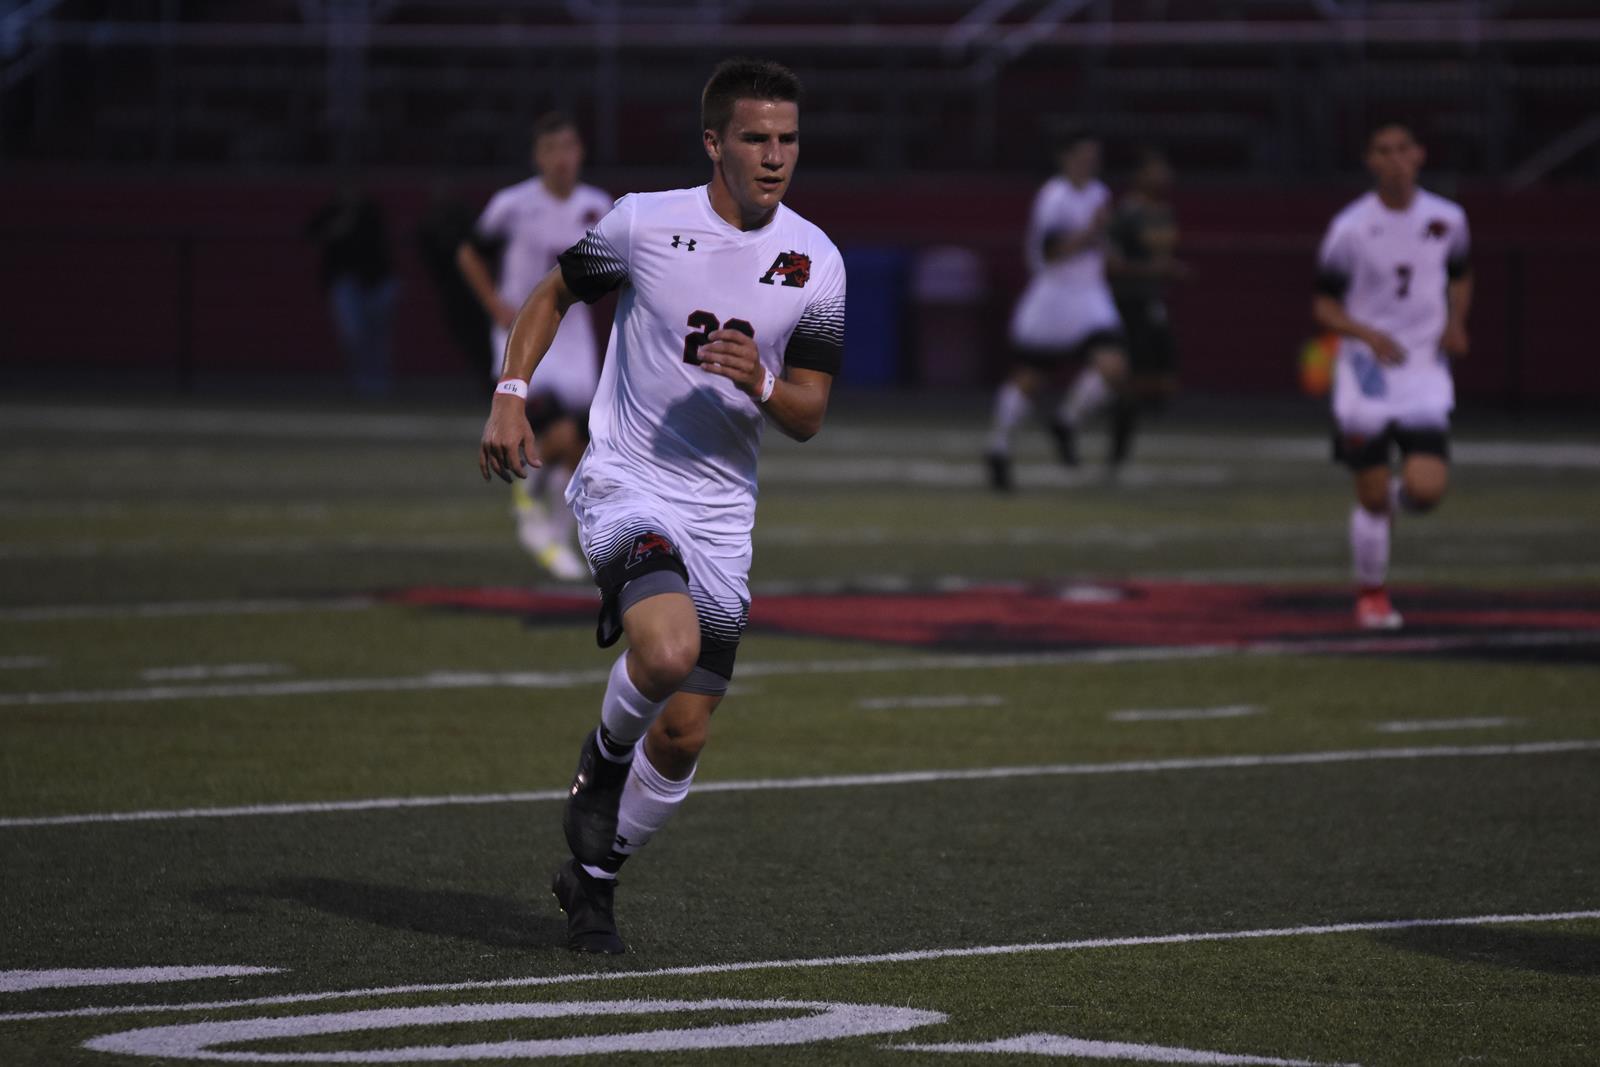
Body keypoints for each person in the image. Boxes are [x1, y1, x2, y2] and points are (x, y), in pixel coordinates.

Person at [478, 58, 845, 954]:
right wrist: (511, 391)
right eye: (756, 138)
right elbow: (555, 291)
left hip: (723, 513)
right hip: (626, 482)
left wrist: (758, 376)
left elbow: (808, 414)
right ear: (714, 142)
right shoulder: (644, 222)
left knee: (684, 730)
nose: (774, 156)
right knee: (668, 648)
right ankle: (601, 764)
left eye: (788, 139)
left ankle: (593, 879)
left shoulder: (817, 259)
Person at [1313, 122, 1471, 629]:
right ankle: (1371, 595)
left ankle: (1387, 511)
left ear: (1420, 155)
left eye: (1404, 149)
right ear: (1370, 161)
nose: (1396, 159)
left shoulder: (1448, 218)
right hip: (1368, 375)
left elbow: (1461, 273)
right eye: (1384, 151)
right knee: (1371, 492)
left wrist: (1456, 322)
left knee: (1425, 490)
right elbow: (1323, 304)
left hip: (1423, 369)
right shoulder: (1351, 228)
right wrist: (1365, 334)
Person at [459, 114, 612, 580]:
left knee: (582, 445)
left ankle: (551, 530)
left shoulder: (597, 205)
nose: (562, 158)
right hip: (525, 338)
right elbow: (469, 252)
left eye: (569, 147)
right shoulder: (512, 204)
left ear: (580, 152)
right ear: (537, 156)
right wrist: (495, 305)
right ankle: (530, 510)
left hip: (576, 341)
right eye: (551, 149)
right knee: (562, 433)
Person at [984, 131, 1127, 491]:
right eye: (1083, 156)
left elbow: (1099, 242)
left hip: (1091, 295)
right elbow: (1050, 252)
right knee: (1029, 379)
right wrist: (1092, 232)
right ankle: (998, 447)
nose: (1090, 163)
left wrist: (1109, 249)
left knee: (1114, 367)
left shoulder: (1099, 193)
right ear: (1065, 158)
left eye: (1095, 156)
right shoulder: (1053, 197)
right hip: (1055, 297)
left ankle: (1066, 421)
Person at [1105, 148, 1188, 471]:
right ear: (1139, 175)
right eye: (1156, 170)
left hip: (1154, 301)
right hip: (1129, 302)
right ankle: (1116, 441)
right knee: (1134, 377)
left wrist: (1168, 271)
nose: (1164, 177)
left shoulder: (1164, 212)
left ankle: (1118, 413)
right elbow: (1113, 265)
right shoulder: (1127, 213)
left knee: (1163, 378)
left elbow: (1161, 259)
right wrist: (1153, 271)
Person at [305, 185, 398, 398]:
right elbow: (311, 234)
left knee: (377, 334)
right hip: (345, 282)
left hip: (376, 280)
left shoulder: (371, 210)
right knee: (353, 332)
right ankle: (359, 379)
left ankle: (378, 383)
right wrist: (336, 228)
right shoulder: (332, 210)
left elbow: (384, 245)